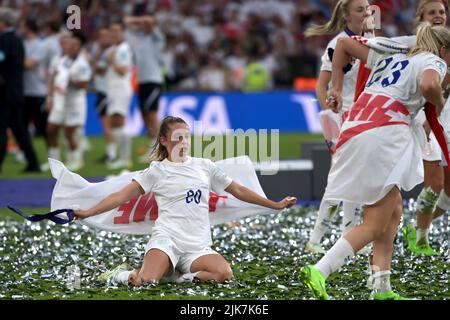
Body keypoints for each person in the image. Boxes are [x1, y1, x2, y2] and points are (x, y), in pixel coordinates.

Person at [300, 22, 450, 300]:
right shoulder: (433, 60)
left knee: (393, 212)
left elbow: (344, 48)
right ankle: (320, 269)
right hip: (385, 134)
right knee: (374, 222)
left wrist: (335, 84)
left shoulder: (391, 57)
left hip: (356, 129)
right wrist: (440, 103)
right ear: (443, 49)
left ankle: (381, 288)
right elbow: (429, 84)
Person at [74, 116, 297, 286]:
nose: (184, 142)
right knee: (146, 282)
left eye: (187, 137)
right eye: (178, 137)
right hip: (167, 240)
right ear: (163, 141)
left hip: (197, 245)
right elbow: (120, 196)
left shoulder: (205, 166)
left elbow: (237, 189)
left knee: (224, 274)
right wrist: (87, 212)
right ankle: (122, 274)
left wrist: (274, 204)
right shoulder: (156, 171)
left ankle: (177, 278)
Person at [304, 0, 373, 254]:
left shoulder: (372, 41)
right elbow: (322, 87)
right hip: (347, 119)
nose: (366, 13)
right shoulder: (338, 45)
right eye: (359, 10)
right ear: (346, 15)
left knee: (354, 177)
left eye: (368, 8)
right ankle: (324, 238)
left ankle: (335, 236)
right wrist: (332, 117)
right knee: (344, 177)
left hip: (367, 119)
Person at [397, 0, 449, 256]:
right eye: (432, 12)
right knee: (435, 183)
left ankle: (414, 227)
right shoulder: (411, 44)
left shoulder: (447, 44)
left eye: (442, 11)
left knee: (448, 192)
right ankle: (421, 239)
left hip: (446, 120)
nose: (438, 16)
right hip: (425, 120)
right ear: (421, 17)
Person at [0, 7, 40, 173]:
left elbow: (1, 59)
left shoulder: (4, 40)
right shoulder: (18, 40)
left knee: (1, 129)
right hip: (16, 91)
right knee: (18, 129)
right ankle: (33, 162)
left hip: (4, 92)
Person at [45, 31, 92, 171]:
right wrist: (50, 97)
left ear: (79, 47)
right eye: (70, 44)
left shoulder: (82, 64)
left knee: (69, 133)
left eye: (75, 45)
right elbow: (53, 78)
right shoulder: (63, 61)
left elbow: (84, 85)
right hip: (60, 101)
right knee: (50, 130)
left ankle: (76, 160)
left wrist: (69, 82)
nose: (71, 47)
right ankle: (55, 161)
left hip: (75, 103)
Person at [124, 15, 165, 163]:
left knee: (152, 115)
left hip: (153, 80)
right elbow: (126, 22)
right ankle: (153, 148)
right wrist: (137, 25)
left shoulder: (156, 38)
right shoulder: (139, 40)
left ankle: (160, 150)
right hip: (142, 82)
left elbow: (148, 20)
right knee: (145, 116)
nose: (142, 25)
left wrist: (140, 21)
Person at [105, 21, 133, 170]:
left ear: (122, 33)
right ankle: (121, 157)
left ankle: (125, 158)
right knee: (114, 123)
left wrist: (111, 61)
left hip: (120, 89)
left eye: (116, 31)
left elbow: (122, 71)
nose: (113, 34)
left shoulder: (123, 50)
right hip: (113, 89)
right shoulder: (113, 48)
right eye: (112, 31)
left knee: (118, 121)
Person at [90, 26, 114, 164]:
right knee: (104, 124)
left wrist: (94, 62)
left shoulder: (110, 52)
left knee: (107, 124)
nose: (101, 39)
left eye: (105, 36)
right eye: (100, 36)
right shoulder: (99, 51)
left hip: (107, 91)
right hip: (101, 90)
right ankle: (109, 152)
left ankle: (111, 155)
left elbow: (101, 70)